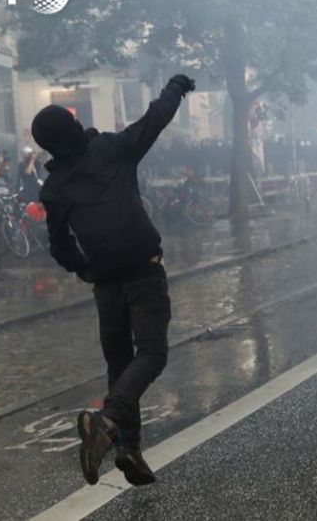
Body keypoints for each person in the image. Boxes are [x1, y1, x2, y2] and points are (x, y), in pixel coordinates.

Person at [31, 73, 195, 487]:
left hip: (105, 283)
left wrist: (83, 268)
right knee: (152, 353)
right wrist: (176, 87)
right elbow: (154, 120)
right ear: (74, 126)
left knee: (121, 366)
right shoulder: (111, 149)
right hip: (143, 269)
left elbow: (59, 245)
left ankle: (129, 450)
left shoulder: (54, 188)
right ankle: (106, 423)